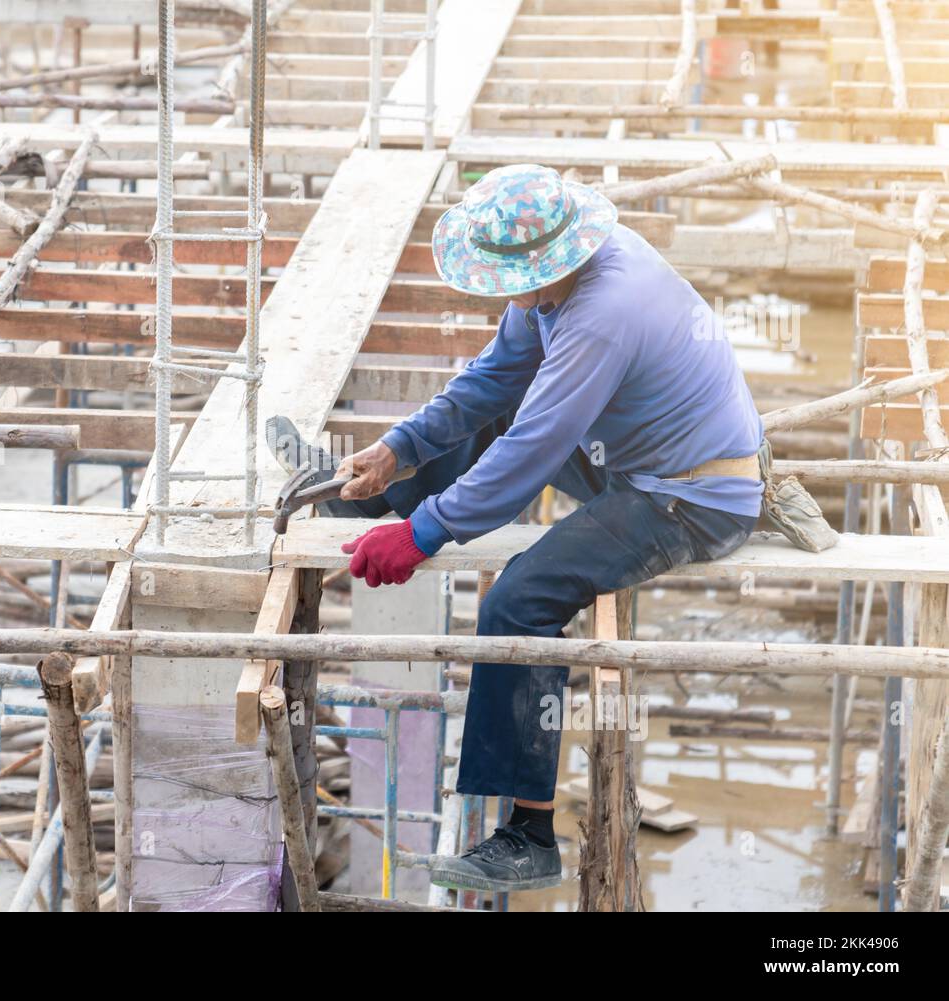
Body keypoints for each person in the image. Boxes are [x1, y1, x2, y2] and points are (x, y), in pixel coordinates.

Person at [267, 163, 764, 893]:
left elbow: (531, 453)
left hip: (694, 496)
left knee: (518, 603)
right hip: (641, 459)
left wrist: (426, 534)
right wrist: (399, 448)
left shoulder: (601, 313)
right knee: (496, 412)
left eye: (505, 276)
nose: (499, 290)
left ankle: (529, 832)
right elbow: (493, 381)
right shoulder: (556, 285)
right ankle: (361, 495)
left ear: (541, 263)